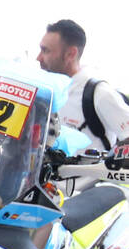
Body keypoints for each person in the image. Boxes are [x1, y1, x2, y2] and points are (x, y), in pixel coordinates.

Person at [37, 18, 129, 155]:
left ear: (71, 54)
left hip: (91, 177)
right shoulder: (47, 93)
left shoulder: (99, 94)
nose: (38, 58)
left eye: (46, 51)